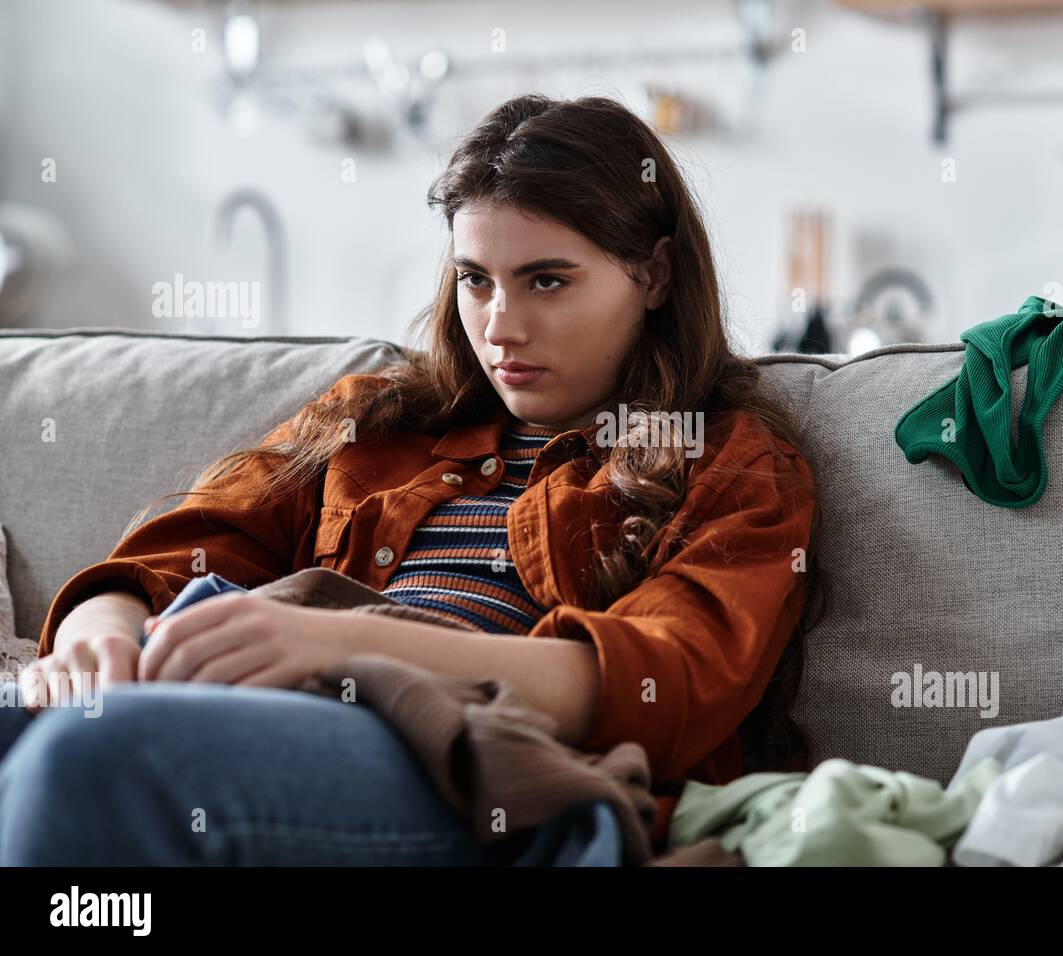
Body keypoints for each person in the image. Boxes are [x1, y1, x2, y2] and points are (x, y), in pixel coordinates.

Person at [0, 93, 824, 866]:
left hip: (484, 770)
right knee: (30, 728)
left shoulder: (733, 461)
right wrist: (96, 640)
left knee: (96, 756)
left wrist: (341, 640)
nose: (501, 326)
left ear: (654, 275)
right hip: (298, 709)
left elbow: (659, 679)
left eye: (547, 280)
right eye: (476, 280)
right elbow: (189, 544)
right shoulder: (381, 419)